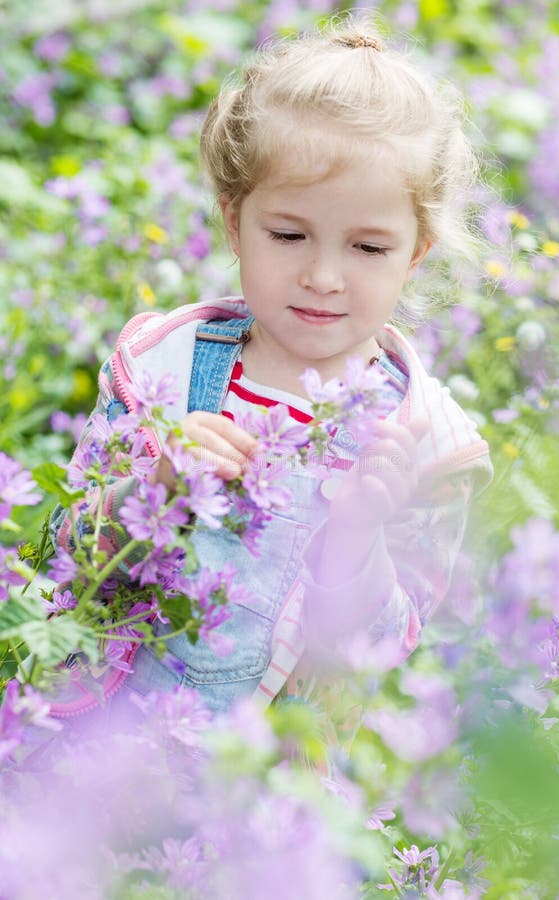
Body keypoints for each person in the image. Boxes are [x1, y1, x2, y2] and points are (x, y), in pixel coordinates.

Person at [48, 18, 492, 723]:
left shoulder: (423, 442)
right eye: (288, 235)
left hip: (269, 798)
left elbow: (381, 660)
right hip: (101, 752)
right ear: (234, 223)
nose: (323, 276)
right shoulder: (160, 367)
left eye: (368, 248)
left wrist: (357, 539)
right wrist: (156, 489)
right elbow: (65, 564)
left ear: (416, 253)